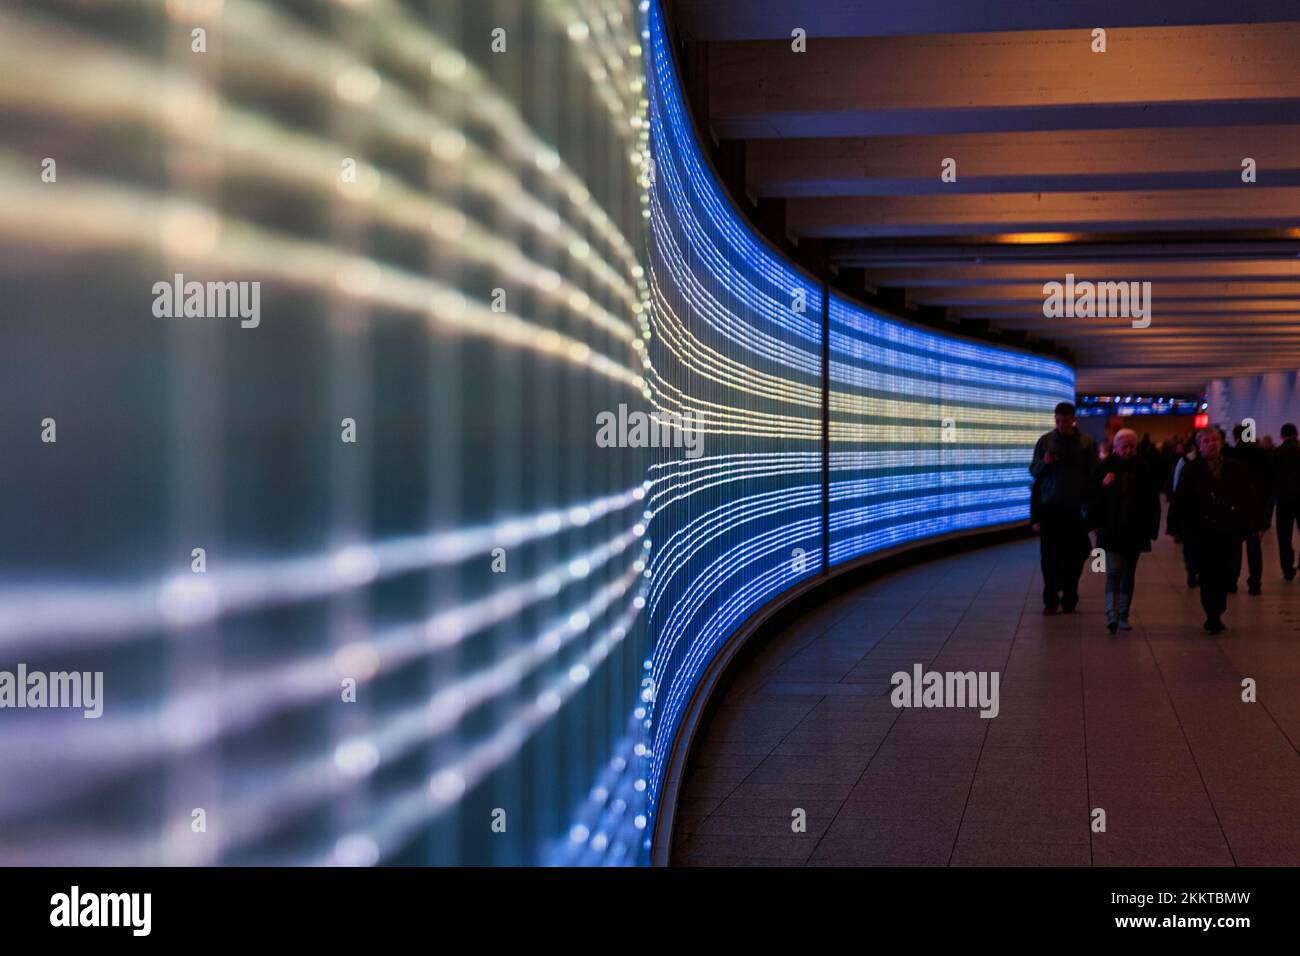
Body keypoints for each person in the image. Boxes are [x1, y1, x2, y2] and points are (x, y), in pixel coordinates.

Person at [1173, 428, 1259, 634]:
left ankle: (1218, 609)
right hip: (1202, 531)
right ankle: (1212, 614)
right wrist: (1177, 527)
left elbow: (1247, 496)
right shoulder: (1192, 469)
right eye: (1206, 441)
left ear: (1221, 443)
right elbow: (1181, 499)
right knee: (1207, 574)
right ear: (1199, 445)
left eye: (1214, 440)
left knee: (1227, 572)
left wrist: (1253, 523)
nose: (1211, 444)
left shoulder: (1233, 467)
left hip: (1228, 529)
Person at [1089, 429, 1161, 632]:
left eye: (1132, 447)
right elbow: (1091, 494)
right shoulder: (1105, 468)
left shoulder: (1144, 469)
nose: (1128, 450)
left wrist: (1151, 530)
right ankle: (1112, 615)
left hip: (1135, 532)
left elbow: (1152, 502)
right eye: (1124, 446)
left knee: (1128, 574)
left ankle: (1123, 615)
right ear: (1116, 447)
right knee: (1113, 571)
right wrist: (1103, 485)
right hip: (1111, 530)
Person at [1030, 402, 1095, 613]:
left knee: (1076, 555)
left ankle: (1069, 595)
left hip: (1075, 509)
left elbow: (1092, 476)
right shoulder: (1045, 442)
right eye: (1057, 421)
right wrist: (1045, 462)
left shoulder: (1085, 444)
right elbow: (1034, 471)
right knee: (1049, 557)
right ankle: (1050, 600)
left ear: (1073, 420)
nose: (1061, 425)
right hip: (1051, 509)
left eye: (1065, 421)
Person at [1225, 423, 1274, 594]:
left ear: (1235, 437)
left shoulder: (1230, 455)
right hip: (1256, 509)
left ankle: (1231, 581)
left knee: (1234, 548)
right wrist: (1265, 517)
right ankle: (1255, 583)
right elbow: (1269, 487)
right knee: (1254, 548)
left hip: (1235, 509)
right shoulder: (1262, 455)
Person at [1168, 438, 1199, 588]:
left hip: (1190, 509)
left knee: (1191, 544)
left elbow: (1176, 485)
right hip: (1190, 511)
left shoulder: (1184, 461)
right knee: (1192, 543)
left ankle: (1192, 570)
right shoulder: (1186, 461)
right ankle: (1193, 571)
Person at [1274, 423, 1300, 580]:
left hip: (1284, 501)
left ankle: (1287, 568)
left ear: (1282, 436)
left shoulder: (1276, 453)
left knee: (1284, 536)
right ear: (1296, 434)